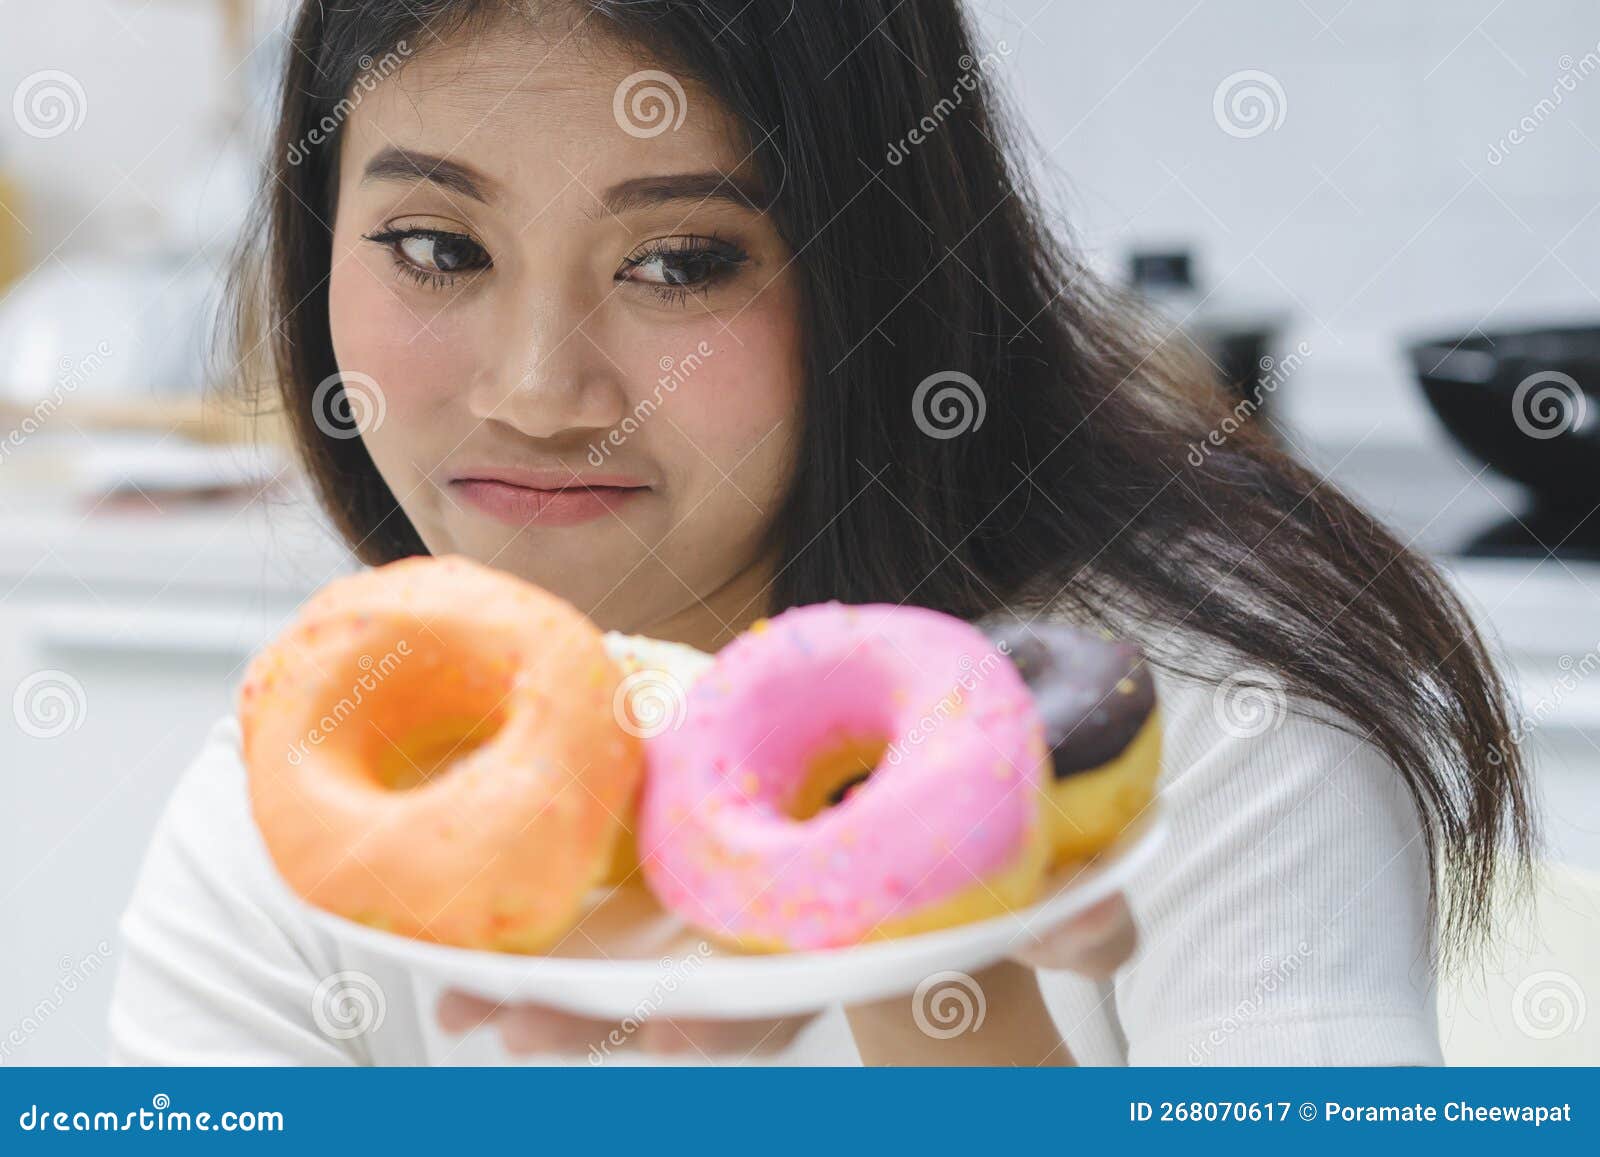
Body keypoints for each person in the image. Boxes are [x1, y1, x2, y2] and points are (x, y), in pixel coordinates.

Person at [108, 0, 1532, 1065]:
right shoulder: (310, 797)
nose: (538, 391)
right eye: (438, 248)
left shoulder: (1193, 728)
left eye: (680, 261)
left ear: (881, 270)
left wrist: (933, 985)